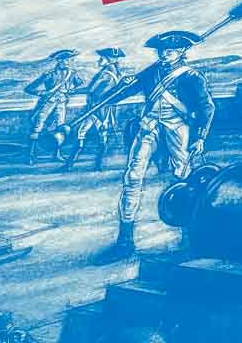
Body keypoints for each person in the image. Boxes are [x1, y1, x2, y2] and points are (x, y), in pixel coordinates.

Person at [112, 31, 215, 253]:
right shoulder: (150, 74)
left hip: (179, 128)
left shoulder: (191, 77)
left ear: (181, 52)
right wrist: (119, 89)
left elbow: (207, 108)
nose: (164, 55)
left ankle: (189, 237)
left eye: (169, 51)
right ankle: (125, 240)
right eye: (161, 51)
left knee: (184, 179)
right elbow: (125, 91)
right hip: (149, 126)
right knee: (132, 177)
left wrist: (199, 137)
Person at [63, 48, 128, 171]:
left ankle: (69, 164)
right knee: (102, 136)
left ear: (108, 60)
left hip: (95, 109)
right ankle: (98, 165)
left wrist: (71, 91)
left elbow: (91, 89)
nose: (99, 60)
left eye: (102, 58)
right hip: (106, 110)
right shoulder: (115, 73)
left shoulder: (105, 73)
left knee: (81, 133)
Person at [25, 49, 82, 162]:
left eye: (70, 60)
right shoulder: (50, 74)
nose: (69, 62)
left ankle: (57, 155)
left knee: (60, 129)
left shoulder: (72, 73)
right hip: (48, 103)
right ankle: (31, 155)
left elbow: (79, 85)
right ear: (59, 61)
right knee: (37, 127)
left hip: (61, 103)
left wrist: (70, 90)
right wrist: (42, 93)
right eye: (66, 60)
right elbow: (29, 88)